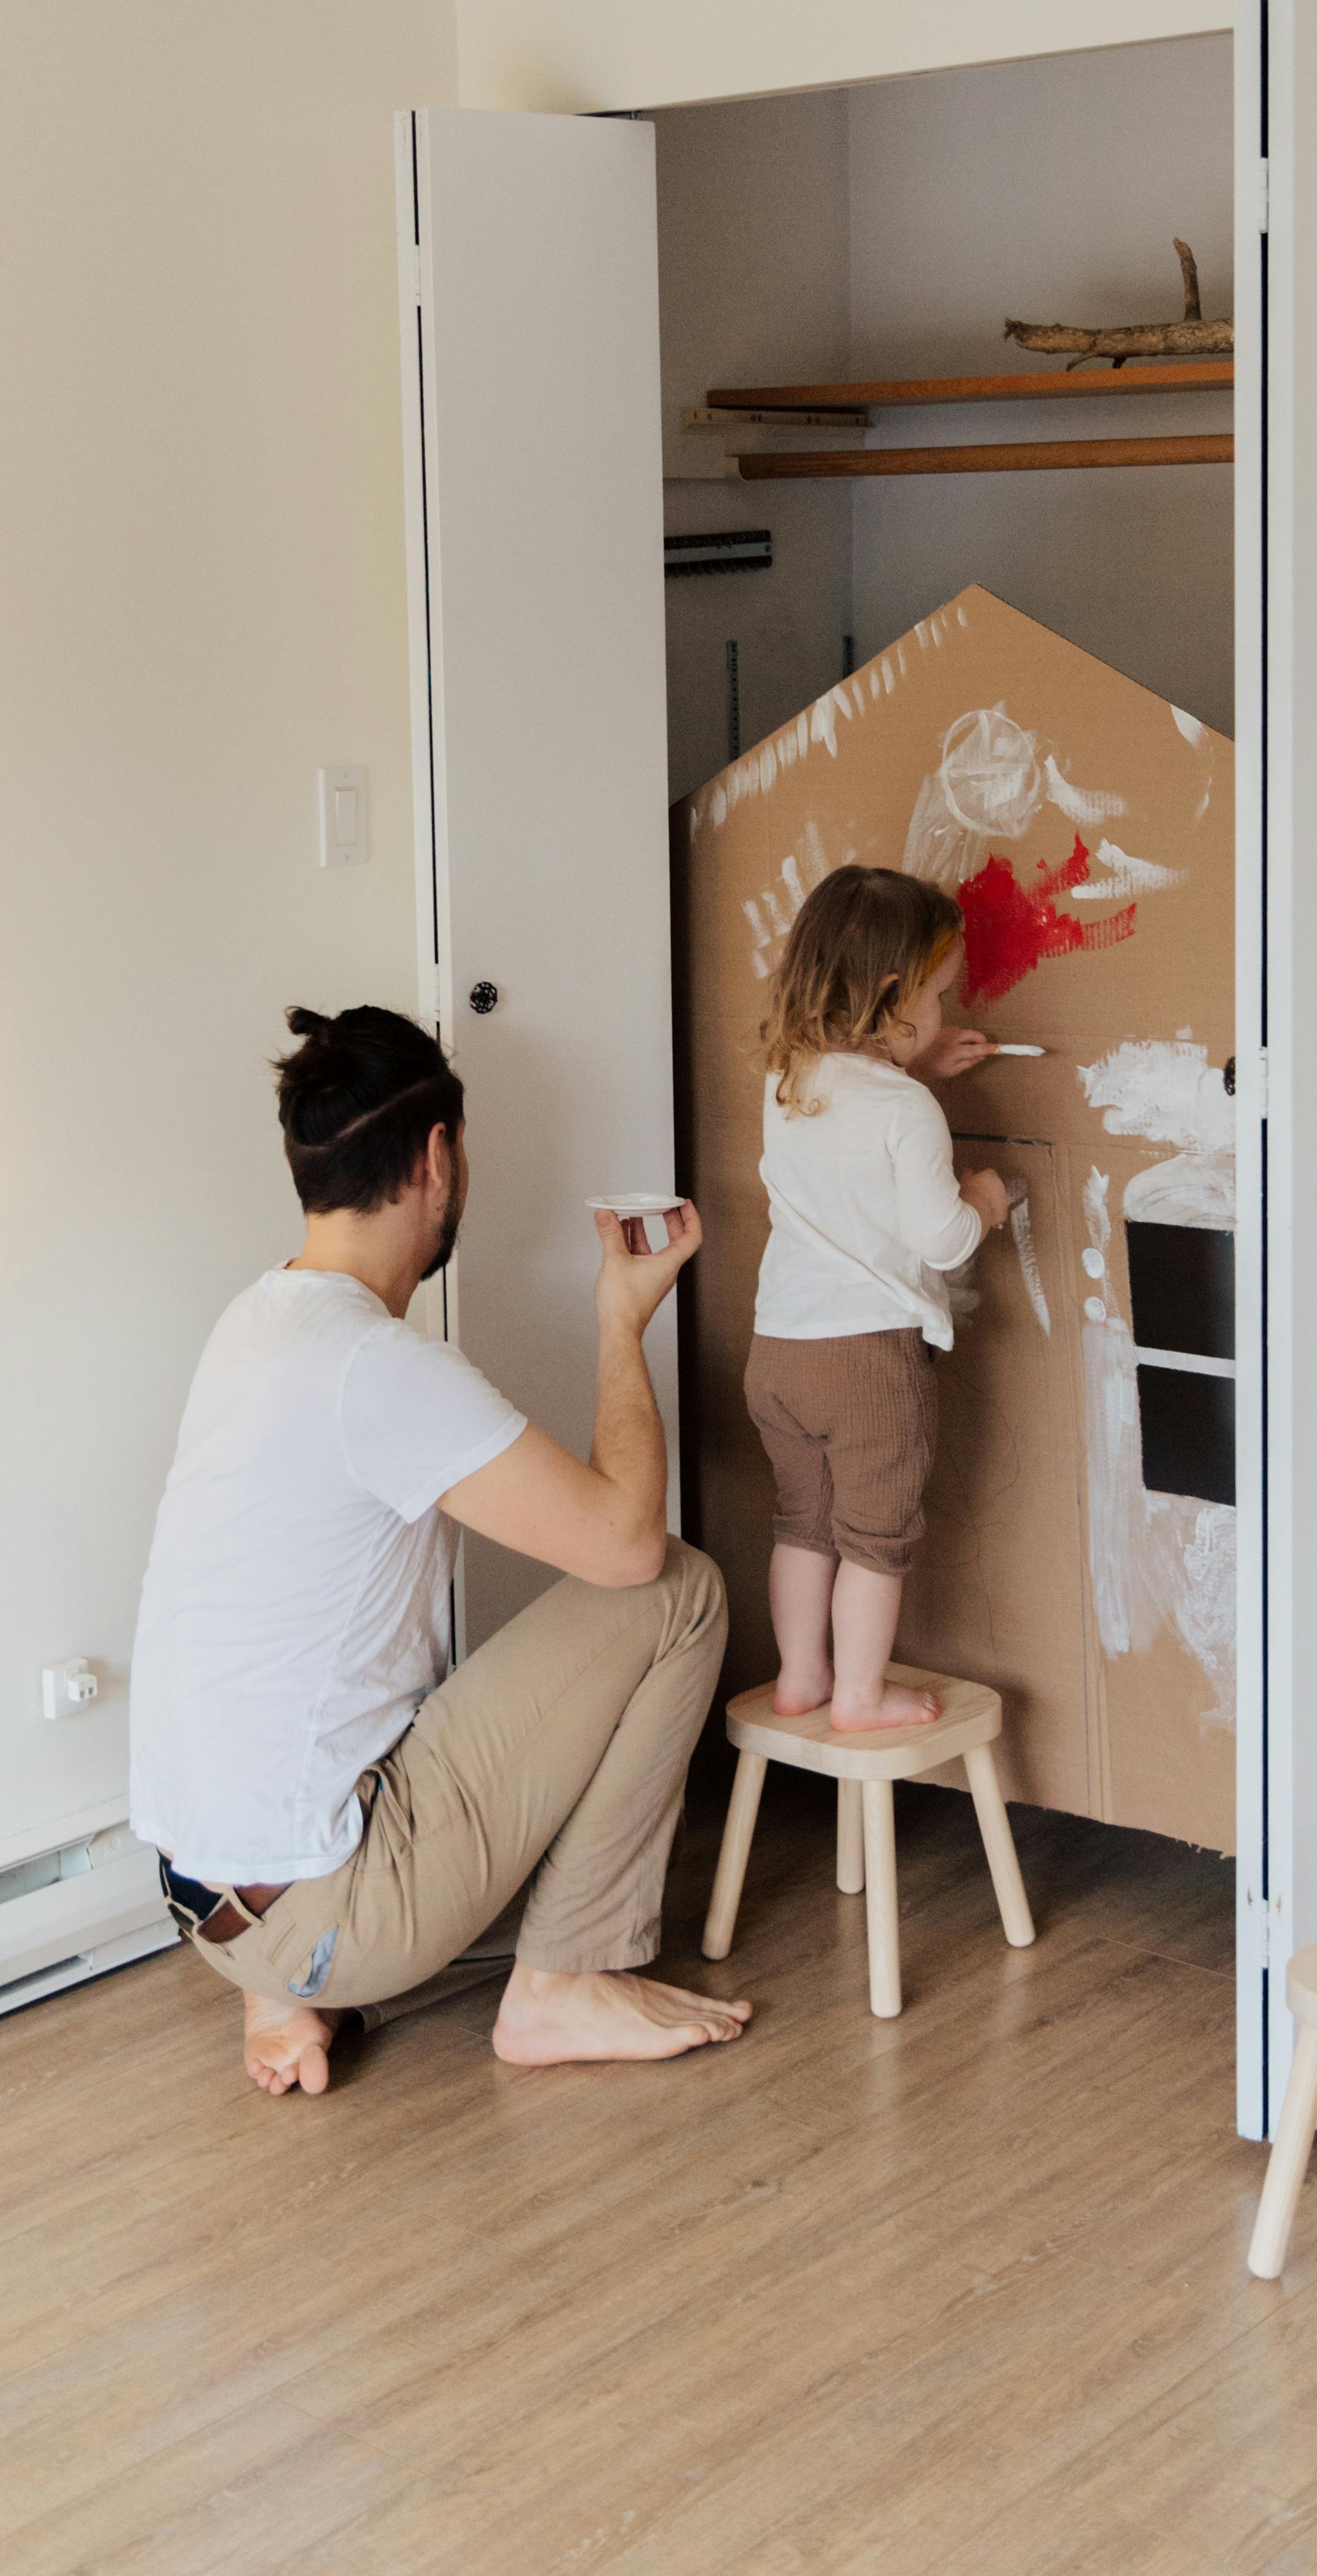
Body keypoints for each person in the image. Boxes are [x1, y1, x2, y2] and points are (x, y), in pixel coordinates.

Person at [129, 1003, 749, 2097]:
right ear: (436, 1158)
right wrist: (621, 1323)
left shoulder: (256, 1324)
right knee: (682, 1591)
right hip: (331, 1911)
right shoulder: (376, 1367)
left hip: (211, 1910)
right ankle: (565, 1980)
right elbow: (626, 1548)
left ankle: (287, 1985)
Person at [745, 866, 1009, 1733]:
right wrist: (985, 1204)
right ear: (895, 993)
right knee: (874, 1539)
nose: (943, 1007)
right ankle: (859, 1695)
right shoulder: (909, 1110)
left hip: (780, 1352)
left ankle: (800, 1679)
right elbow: (942, 1239)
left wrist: (919, 1057)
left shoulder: (789, 1081)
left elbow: (850, 1128)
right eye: (936, 994)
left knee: (804, 1524)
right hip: (868, 1359)